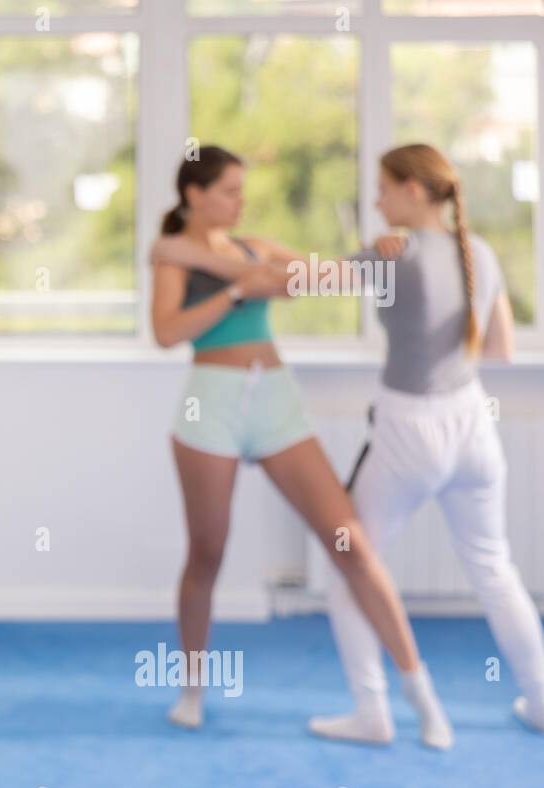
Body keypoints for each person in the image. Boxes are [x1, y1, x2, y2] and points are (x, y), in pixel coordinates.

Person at [156, 143, 544, 742]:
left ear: (414, 192)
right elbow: (498, 348)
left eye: (384, 188)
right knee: (493, 568)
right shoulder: (481, 251)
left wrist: (183, 252)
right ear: (194, 195)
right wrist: (202, 262)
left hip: (384, 423)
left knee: (350, 562)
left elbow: (301, 278)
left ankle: (386, 708)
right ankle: (537, 702)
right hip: (468, 424)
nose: (375, 200)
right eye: (229, 189)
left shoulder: (393, 256)